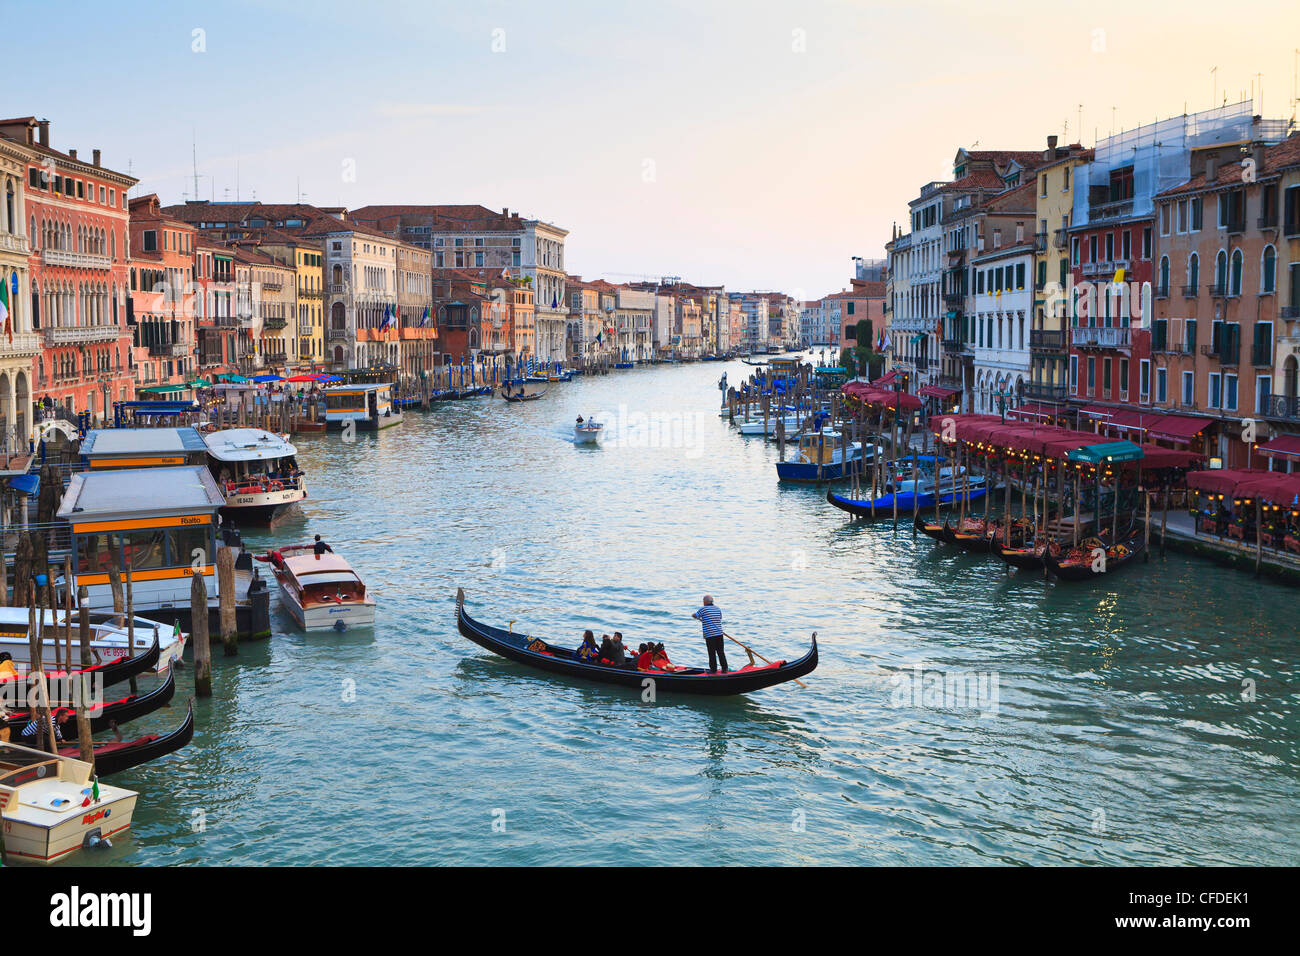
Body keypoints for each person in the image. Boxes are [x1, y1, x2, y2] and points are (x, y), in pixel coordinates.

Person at [693, 595, 728, 673]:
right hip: (719, 633)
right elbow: (719, 618)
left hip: (710, 635)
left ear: (705, 602)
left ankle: (713, 670)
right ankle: (725, 668)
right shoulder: (718, 609)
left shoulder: (703, 609)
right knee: (720, 652)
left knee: (711, 653)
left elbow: (696, 615)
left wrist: (694, 616)